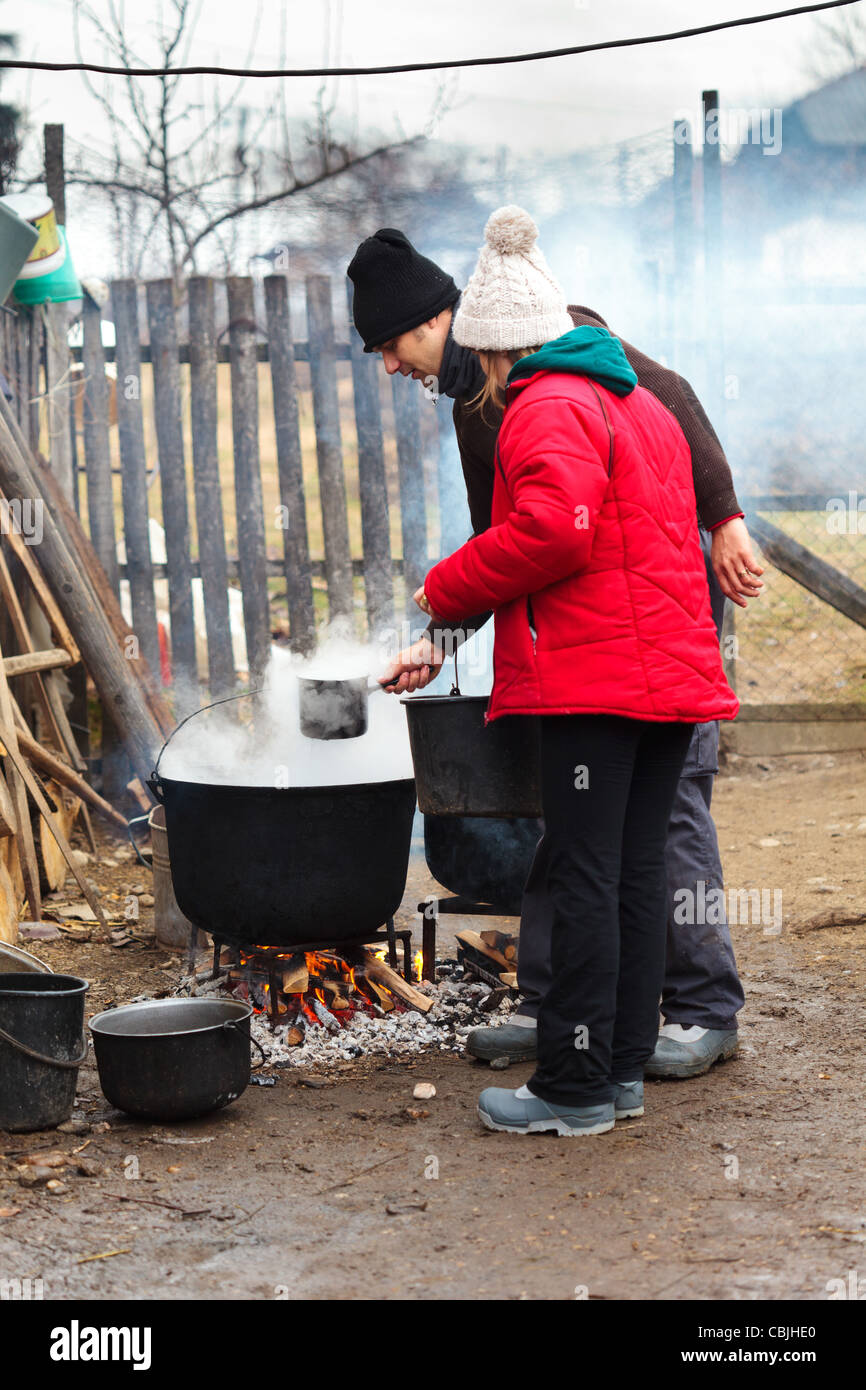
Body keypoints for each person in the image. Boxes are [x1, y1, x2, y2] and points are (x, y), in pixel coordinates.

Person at [347, 220, 762, 1081]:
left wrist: (723, 516)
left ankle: (702, 1006)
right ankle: (557, 1007)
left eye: (390, 344)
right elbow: (504, 545)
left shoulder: (564, 347)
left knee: (668, 807)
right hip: (581, 629)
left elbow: (673, 401)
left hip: (650, 608)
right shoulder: (477, 404)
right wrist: (438, 641)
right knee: (566, 812)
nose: (389, 366)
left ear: (438, 319)